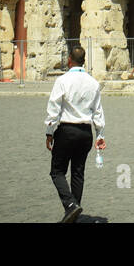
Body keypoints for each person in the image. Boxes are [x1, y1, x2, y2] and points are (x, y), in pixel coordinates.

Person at [44, 46, 106, 223]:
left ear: (70, 59)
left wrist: (49, 132)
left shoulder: (63, 80)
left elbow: (54, 108)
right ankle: (74, 212)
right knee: (78, 172)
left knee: (57, 171)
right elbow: (98, 111)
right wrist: (100, 135)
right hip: (86, 133)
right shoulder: (93, 82)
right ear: (84, 61)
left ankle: (70, 205)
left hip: (66, 130)